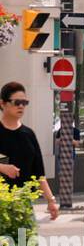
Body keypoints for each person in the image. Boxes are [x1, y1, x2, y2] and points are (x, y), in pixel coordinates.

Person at [0, 82, 58, 221]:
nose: (21, 106)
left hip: (24, 204)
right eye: (17, 102)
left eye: (24, 102)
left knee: (24, 242)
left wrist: (51, 201)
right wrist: (2, 167)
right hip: (1, 204)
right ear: (3, 103)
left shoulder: (28, 134)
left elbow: (39, 173)